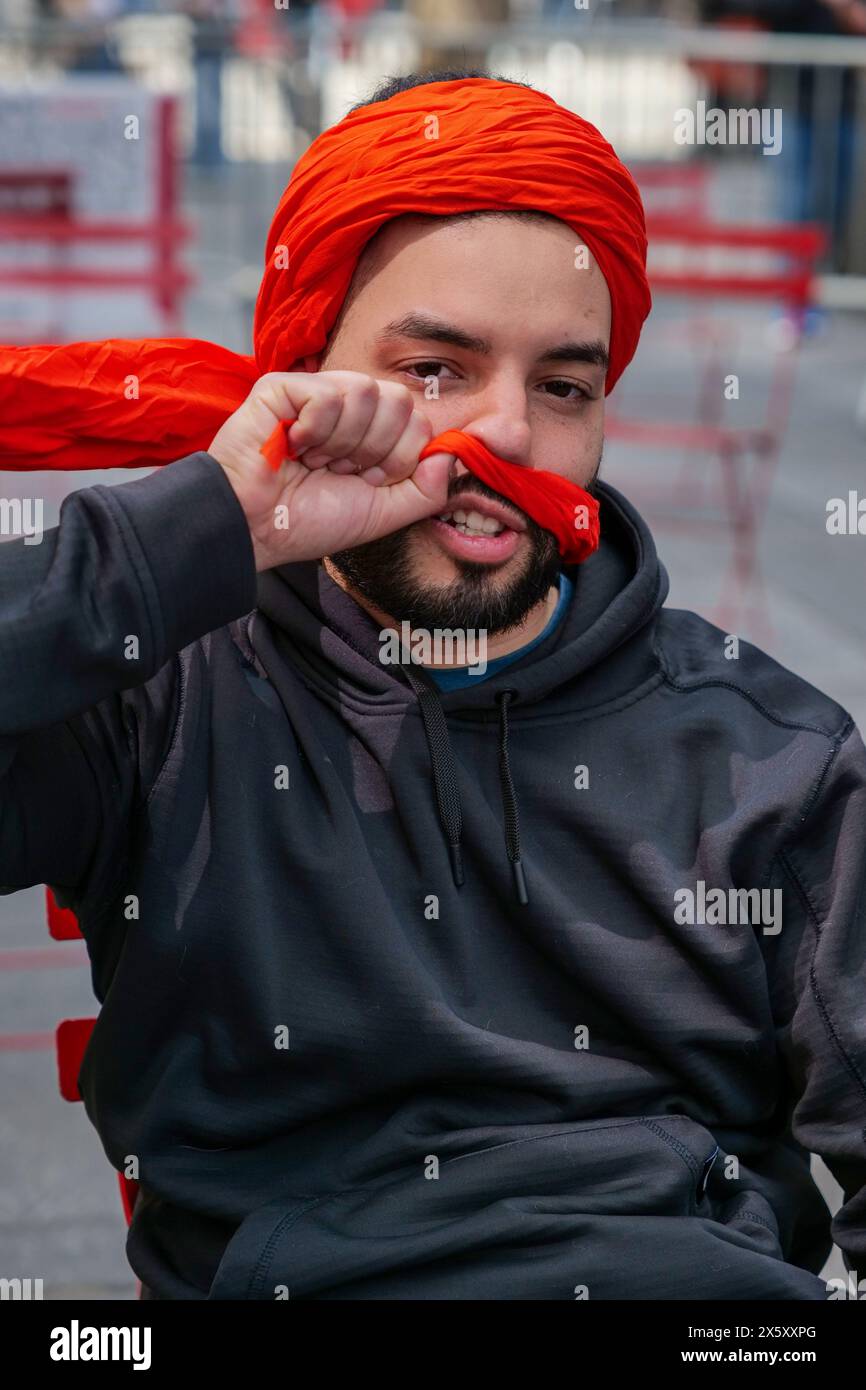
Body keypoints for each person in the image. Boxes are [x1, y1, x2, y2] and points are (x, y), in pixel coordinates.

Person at [1, 70, 864, 1301]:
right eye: (434, 370)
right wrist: (191, 535)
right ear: (299, 381)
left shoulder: (770, 755)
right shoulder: (156, 704)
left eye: (562, 386)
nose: (505, 433)